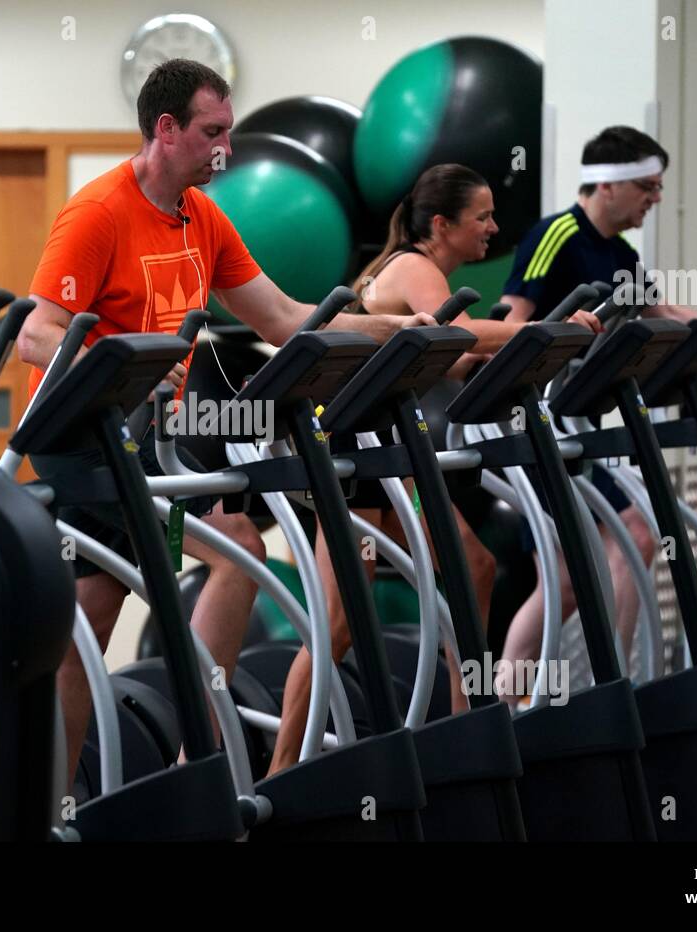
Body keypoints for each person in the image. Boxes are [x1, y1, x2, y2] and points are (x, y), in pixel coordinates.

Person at [16, 58, 441, 786]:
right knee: (97, 624)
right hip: (80, 441)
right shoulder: (98, 212)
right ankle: (60, 801)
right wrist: (124, 362)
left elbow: (281, 318)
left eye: (230, 133)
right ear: (167, 128)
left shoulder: (202, 217)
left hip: (148, 442)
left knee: (228, 553)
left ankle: (192, 766)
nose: (228, 151)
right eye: (214, 133)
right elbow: (36, 332)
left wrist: (395, 328)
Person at [264, 164, 603, 777]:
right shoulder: (416, 267)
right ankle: (283, 769)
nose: (494, 228)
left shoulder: (412, 271)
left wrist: (526, 357)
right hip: (351, 448)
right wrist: (546, 329)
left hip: (388, 448)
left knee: (471, 566)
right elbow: (464, 332)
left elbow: (451, 360)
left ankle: (461, 738)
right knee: (341, 619)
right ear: (442, 224)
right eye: (483, 217)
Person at [496, 125, 697, 696]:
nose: (656, 200)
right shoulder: (556, 235)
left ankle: (530, 702)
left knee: (566, 580)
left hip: (570, 425)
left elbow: (665, 315)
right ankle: (601, 686)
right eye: (648, 187)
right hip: (530, 424)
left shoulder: (618, 253)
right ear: (608, 186)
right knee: (622, 537)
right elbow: (510, 321)